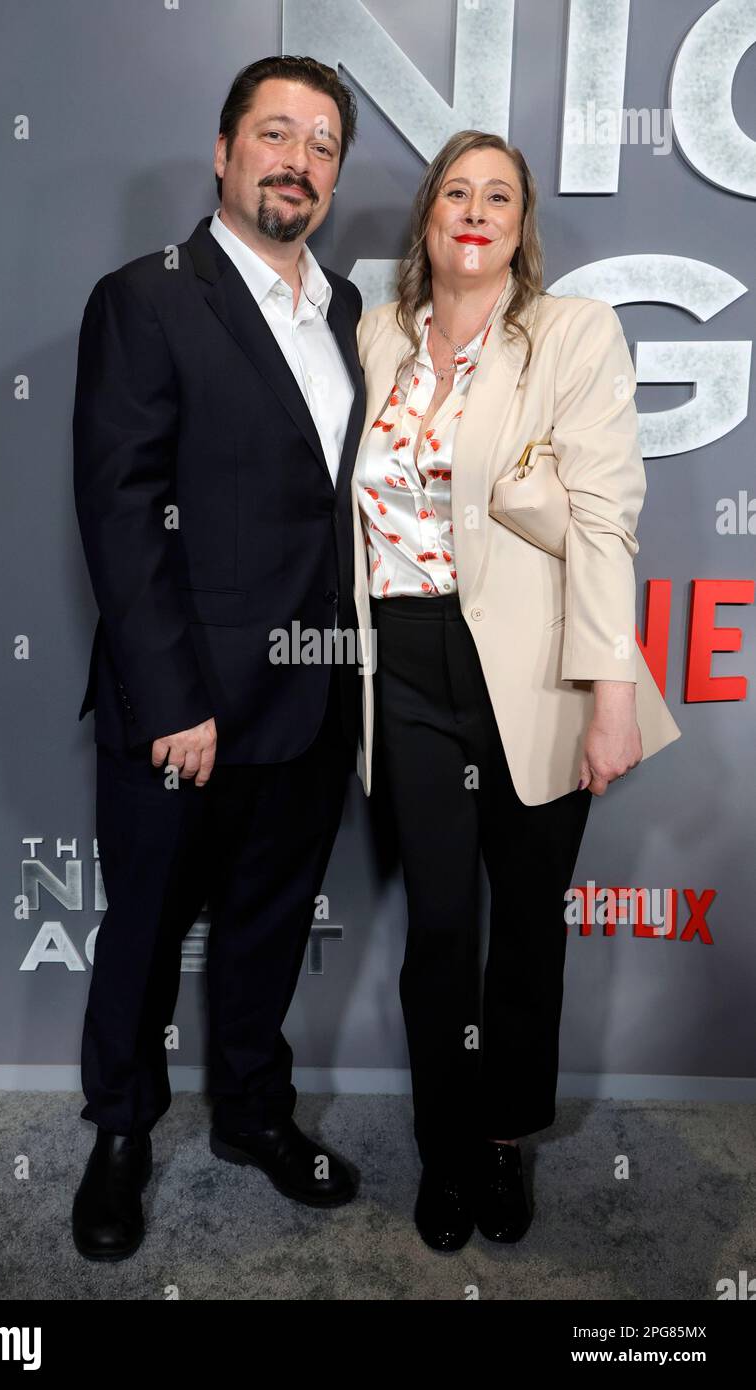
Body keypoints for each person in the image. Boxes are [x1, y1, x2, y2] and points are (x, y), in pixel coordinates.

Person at [352, 131, 681, 1253]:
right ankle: (444, 1150)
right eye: (457, 191)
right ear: (428, 217)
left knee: (524, 926)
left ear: (521, 224)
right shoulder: (376, 334)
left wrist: (610, 692)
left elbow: (601, 521)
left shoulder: (570, 336)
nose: (476, 210)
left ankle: (500, 1142)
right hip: (402, 662)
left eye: (500, 195)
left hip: (532, 666)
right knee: (438, 924)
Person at [71, 55, 367, 1261]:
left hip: (311, 691)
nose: (297, 160)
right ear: (223, 150)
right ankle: (122, 1135)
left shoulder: (345, 310)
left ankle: (252, 1111)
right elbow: (121, 507)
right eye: (275, 133)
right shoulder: (147, 296)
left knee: (268, 924)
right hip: (183, 705)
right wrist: (172, 699)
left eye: (322, 144)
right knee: (142, 929)